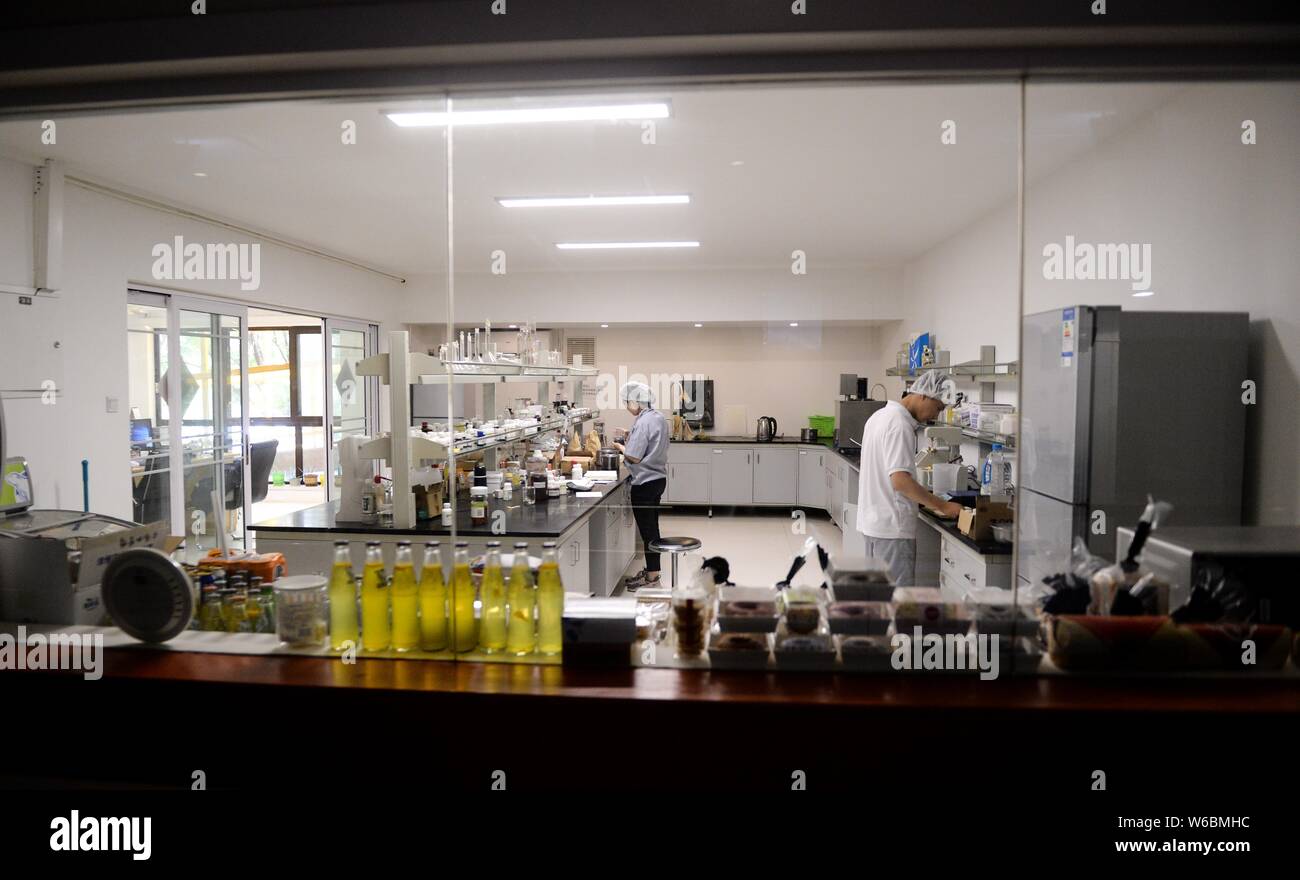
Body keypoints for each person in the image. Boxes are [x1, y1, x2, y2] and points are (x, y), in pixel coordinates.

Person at [855, 368, 963, 586]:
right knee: (898, 598)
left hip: (873, 523)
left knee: (879, 594)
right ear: (924, 395)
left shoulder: (878, 417)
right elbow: (900, 481)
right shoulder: (900, 425)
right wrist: (943, 506)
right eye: (938, 408)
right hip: (892, 529)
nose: (936, 416)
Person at [611, 381, 670, 590]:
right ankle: (653, 572)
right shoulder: (658, 417)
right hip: (658, 479)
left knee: (648, 531)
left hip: (644, 482)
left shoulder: (643, 421)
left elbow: (634, 456)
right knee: (653, 528)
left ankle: (652, 578)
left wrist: (620, 446)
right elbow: (651, 443)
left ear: (635, 401)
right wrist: (631, 436)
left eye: (627, 402)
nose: (627, 407)